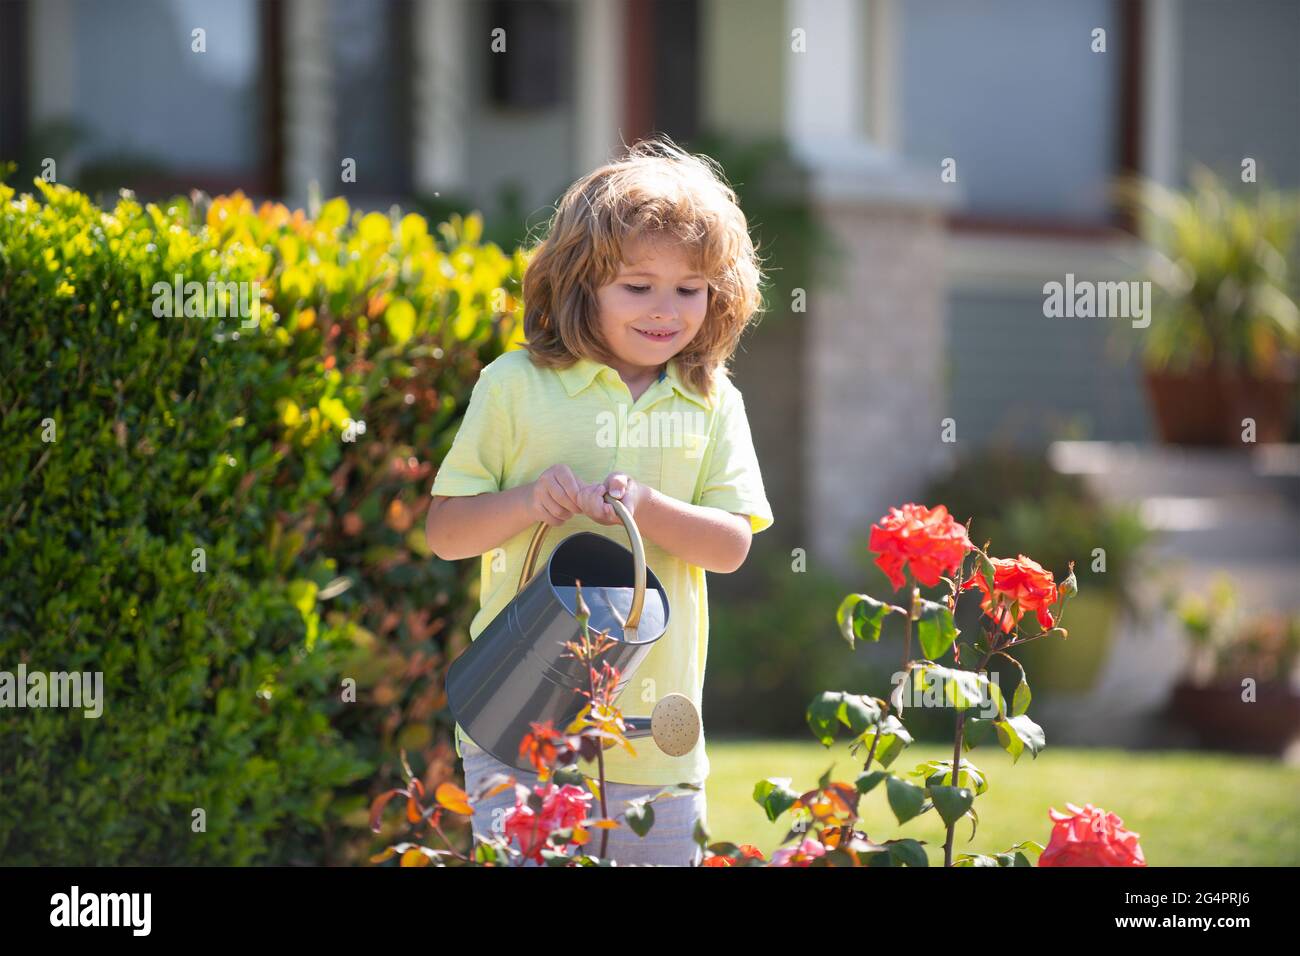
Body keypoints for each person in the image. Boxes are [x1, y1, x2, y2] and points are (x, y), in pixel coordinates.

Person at [425, 134, 773, 866]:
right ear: (580, 283)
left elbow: (732, 546)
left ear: (721, 292)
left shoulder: (711, 402)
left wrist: (650, 509)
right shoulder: (516, 386)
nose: (665, 310)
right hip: (520, 718)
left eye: (689, 288)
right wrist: (527, 502)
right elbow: (447, 533)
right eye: (637, 286)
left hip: (658, 742)